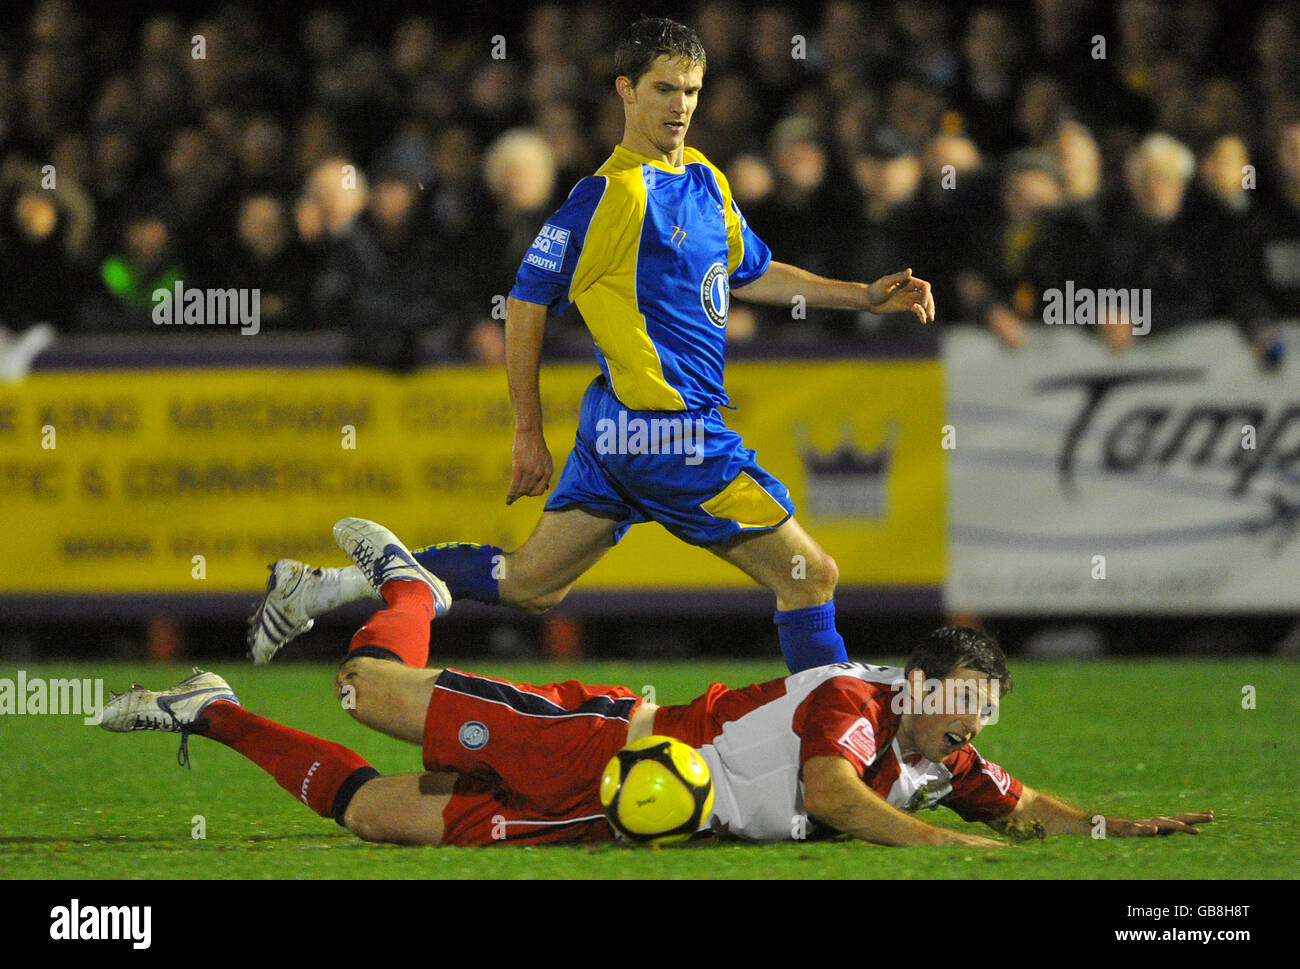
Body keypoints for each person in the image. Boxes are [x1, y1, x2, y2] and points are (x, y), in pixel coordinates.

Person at [247, 17, 936, 675]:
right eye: (664, 88)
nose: (680, 105)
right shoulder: (609, 196)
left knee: (527, 584)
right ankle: (833, 756)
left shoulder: (701, 176)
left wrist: (861, 294)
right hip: (669, 437)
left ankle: (320, 589)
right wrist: (526, 429)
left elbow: (751, 269)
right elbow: (525, 300)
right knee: (810, 575)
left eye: (691, 90)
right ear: (626, 90)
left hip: (616, 433)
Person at [111, 518, 1213, 848]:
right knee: (364, 692)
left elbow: (1022, 805)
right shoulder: (851, 702)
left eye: (976, 720)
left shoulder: (942, 753)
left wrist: (1112, 833)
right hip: (600, 747)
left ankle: (213, 709)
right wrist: (957, 851)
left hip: (624, 817)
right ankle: (409, 584)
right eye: (955, 708)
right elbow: (831, 795)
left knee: (377, 818)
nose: (961, 734)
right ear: (916, 685)